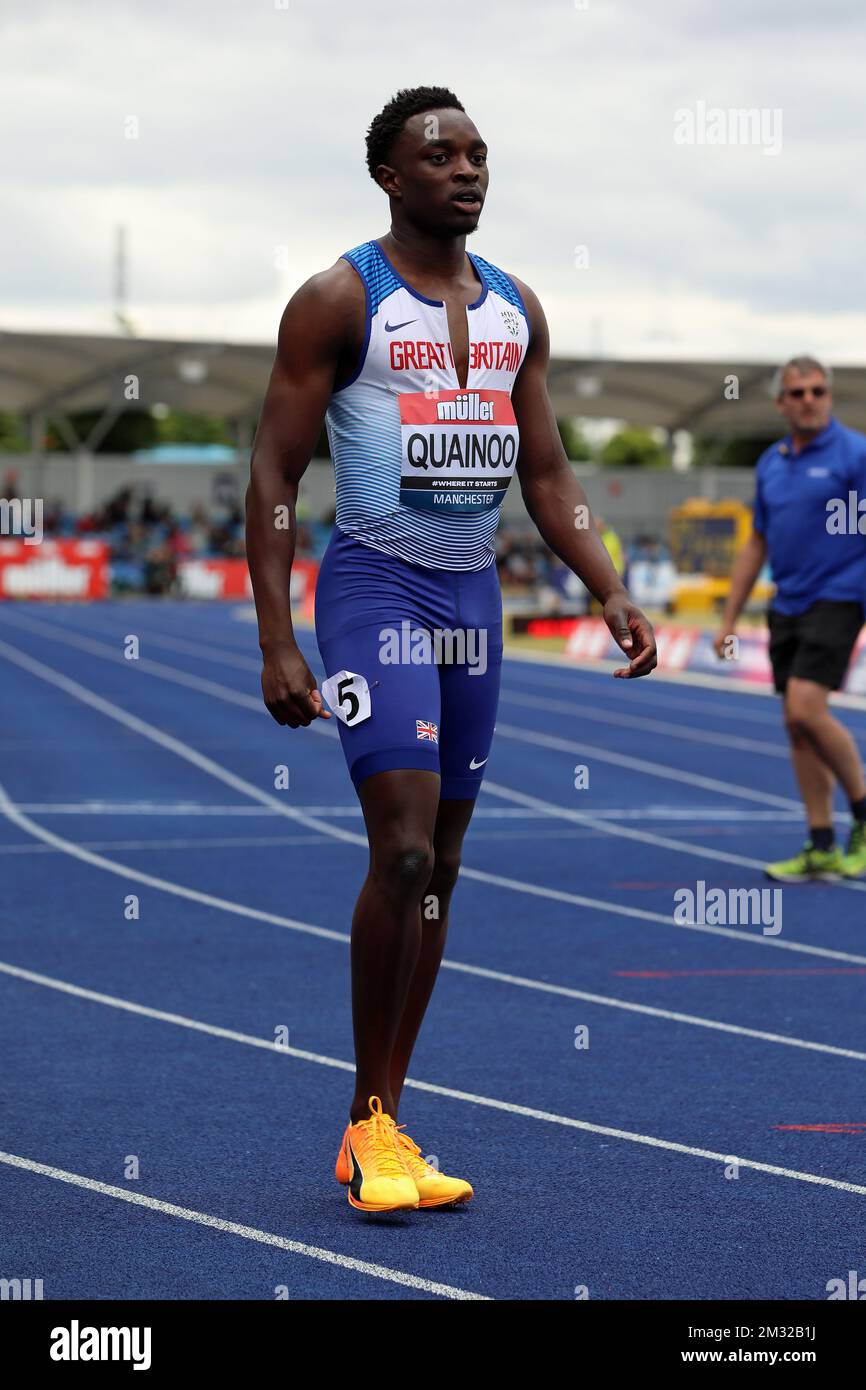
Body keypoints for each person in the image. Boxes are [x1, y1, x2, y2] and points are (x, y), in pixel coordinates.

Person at [245, 86, 657, 1214]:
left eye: (478, 153)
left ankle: (385, 1117)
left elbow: (549, 475)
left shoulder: (517, 305)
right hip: (374, 583)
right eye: (440, 154)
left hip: (471, 599)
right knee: (408, 852)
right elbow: (274, 471)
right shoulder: (339, 299)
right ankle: (368, 1121)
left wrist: (608, 585)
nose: (466, 170)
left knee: (448, 865)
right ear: (388, 174)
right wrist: (278, 635)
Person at [715, 355, 866, 881]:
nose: (809, 400)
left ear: (829, 397)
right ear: (781, 402)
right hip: (788, 603)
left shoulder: (855, 455)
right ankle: (821, 841)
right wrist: (729, 618)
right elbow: (756, 541)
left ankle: (864, 812)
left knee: (806, 707)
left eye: (818, 391)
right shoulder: (771, 464)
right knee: (796, 727)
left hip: (842, 595)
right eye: (798, 393)